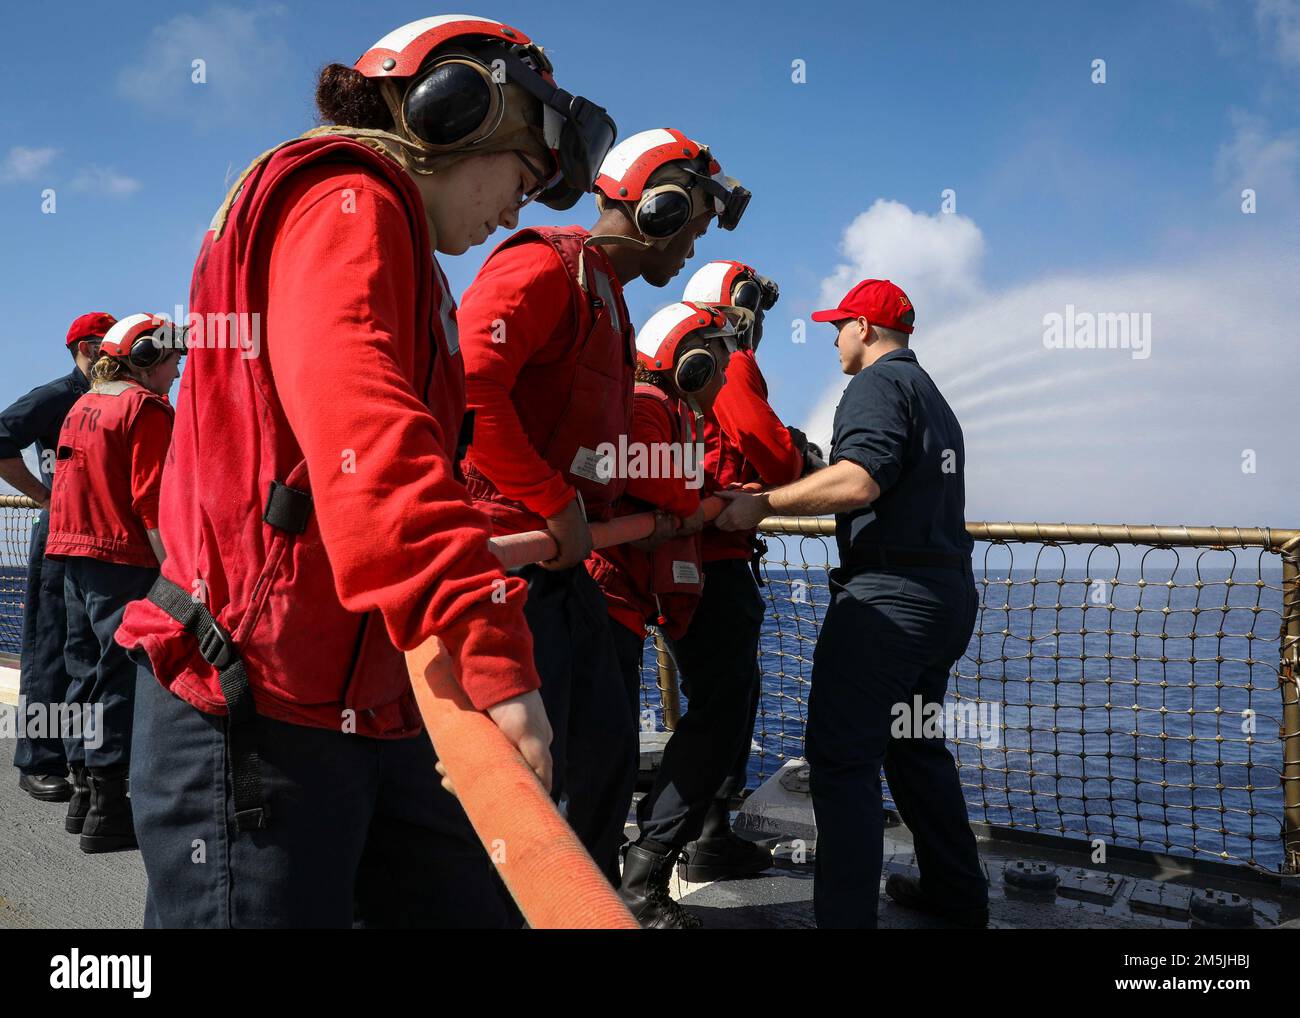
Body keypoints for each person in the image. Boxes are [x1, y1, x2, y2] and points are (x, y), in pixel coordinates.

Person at [114, 14, 616, 928]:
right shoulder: (350, 200)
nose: (522, 208)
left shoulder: (384, 237)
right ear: (457, 112)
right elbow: (363, 421)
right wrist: (492, 649)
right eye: (523, 176)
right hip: (257, 707)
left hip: (355, 700)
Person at [456, 127, 749, 883]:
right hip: (507, 570)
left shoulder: (608, 305)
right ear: (658, 208)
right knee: (526, 780)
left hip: (563, 572)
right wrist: (557, 504)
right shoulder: (544, 268)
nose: (692, 247)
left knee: (607, 758)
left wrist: (689, 497)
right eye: (692, 223)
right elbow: (471, 388)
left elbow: (602, 454)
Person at [715, 279, 987, 929]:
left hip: (887, 607)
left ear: (865, 328)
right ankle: (957, 894)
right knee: (914, 747)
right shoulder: (931, 396)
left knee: (842, 765)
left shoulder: (875, 385)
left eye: (839, 326)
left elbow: (861, 479)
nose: (833, 338)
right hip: (944, 598)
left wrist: (764, 503)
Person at [660, 260, 814, 883]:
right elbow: (772, 456)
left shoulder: (678, 358)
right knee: (725, 703)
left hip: (686, 557)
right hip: (717, 561)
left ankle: (703, 835)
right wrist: (799, 453)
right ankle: (668, 847)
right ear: (735, 304)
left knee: (723, 696)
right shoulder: (726, 359)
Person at [587, 301, 739, 928]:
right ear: (690, 358)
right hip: (607, 599)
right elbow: (659, 485)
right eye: (716, 361)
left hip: (622, 602)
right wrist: (703, 498)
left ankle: (601, 889)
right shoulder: (650, 407)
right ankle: (596, 897)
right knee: (601, 756)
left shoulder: (668, 410)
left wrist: (699, 496)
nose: (723, 375)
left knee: (609, 754)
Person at [45, 314, 181, 851]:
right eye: (172, 359)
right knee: (120, 676)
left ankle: (83, 793)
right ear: (145, 357)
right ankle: (108, 806)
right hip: (122, 559)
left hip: (72, 554)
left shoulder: (82, 405)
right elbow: (151, 503)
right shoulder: (146, 410)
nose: (176, 371)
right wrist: (175, 575)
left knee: (83, 671)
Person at [0, 312, 116, 802]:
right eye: (107, 347)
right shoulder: (56, 396)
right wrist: (44, 497)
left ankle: (77, 752)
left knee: (85, 650)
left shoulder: (114, 398)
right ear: (86, 349)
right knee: (49, 645)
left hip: (102, 537)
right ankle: (36, 759)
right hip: (60, 534)